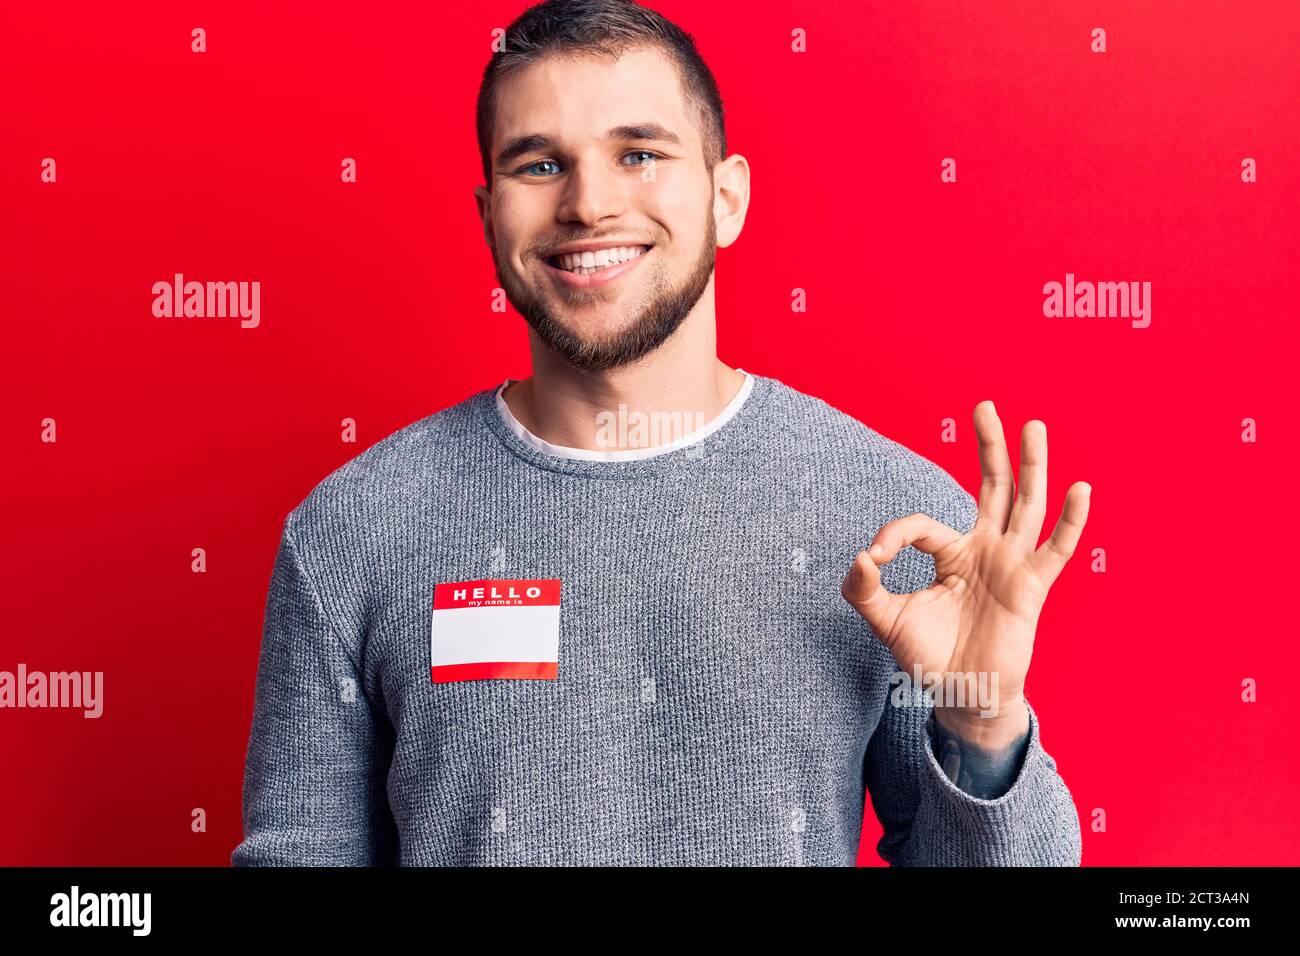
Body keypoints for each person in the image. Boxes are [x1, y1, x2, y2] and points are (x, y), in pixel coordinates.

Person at [232, 0, 1089, 866]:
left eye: (638, 154)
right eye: (539, 165)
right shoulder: (352, 531)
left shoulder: (898, 525)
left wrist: (982, 721)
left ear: (726, 198)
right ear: (489, 217)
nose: (589, 204)